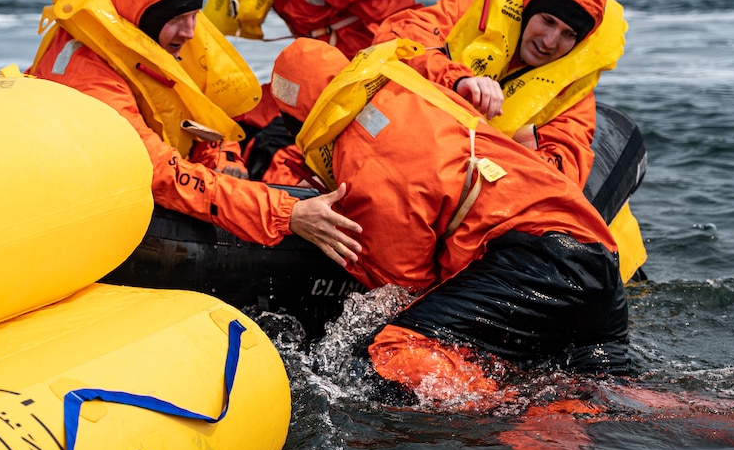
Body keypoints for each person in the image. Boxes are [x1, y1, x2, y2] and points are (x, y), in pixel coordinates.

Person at [270, 38, 630, 401]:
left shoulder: (361, 154)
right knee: (614, 391)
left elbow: (404, 283)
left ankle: (509, 416)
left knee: (390, 355)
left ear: (297, 119)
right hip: (594, 256)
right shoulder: (412, 91)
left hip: (536, 260)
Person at [28, 0, 363, 260]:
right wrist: (287, 214)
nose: (190, 32)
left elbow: (210, 108)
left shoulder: (151, 33)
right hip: (88, 212)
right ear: (147, 16)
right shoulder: (90, 76)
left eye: (194, 16)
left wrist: (222, 154)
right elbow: (157, 173)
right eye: (179, 19)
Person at [374, 0, 646, 280]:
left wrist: (516, 148)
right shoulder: (466, 13)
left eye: (568, 34)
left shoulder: (573, 99)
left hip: (604, 262)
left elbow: (562, 179)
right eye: (547, 20)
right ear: (528, 11)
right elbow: (395, 37)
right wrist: (456, 79)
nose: (549, 41)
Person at [205, 0, 421, 184]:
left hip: (350, 79)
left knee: (273, 148)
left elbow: (399, 10)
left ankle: (290, 208)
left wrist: (412, 75)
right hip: (315, 76)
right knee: (239, 117)